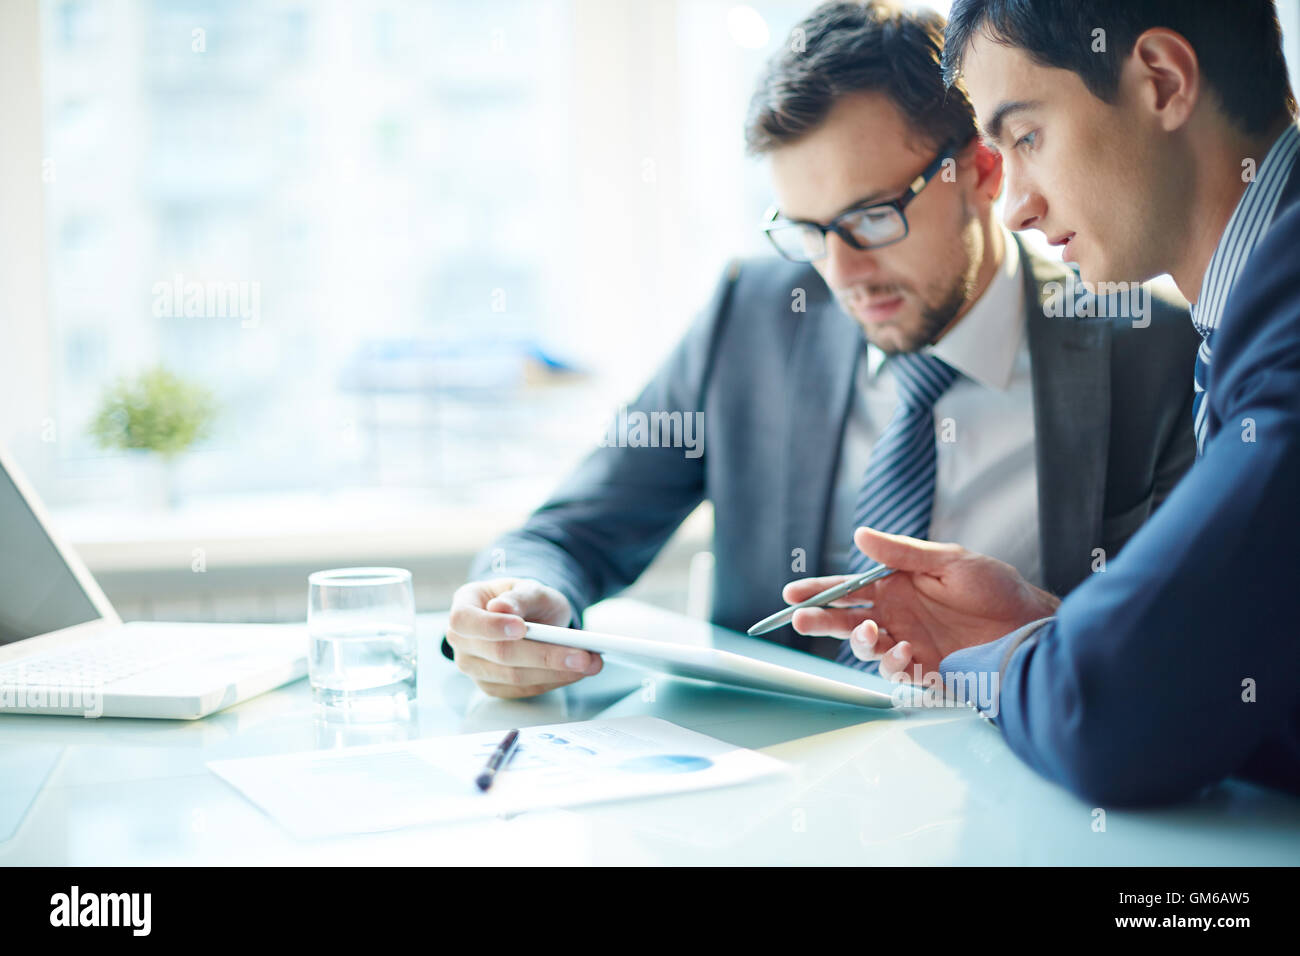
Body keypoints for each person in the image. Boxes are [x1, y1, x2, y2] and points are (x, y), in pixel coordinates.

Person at [442, 1, 1197, 700]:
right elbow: (569, 531)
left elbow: (1185, 645)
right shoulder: (753, 317)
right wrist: (517, 601)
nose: (842, 275)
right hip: (779, 791)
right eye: (808, 232)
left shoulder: (1150, 351)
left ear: (981, 171)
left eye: (871, 219)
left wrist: (1040, 633)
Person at [787, 0, 1300, 805]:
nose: (1015, 204)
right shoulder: (1249, 311)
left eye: (1026, 136)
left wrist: (1016, 662)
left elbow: (1114, 716)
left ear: (1163, 82)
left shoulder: (1286, 318)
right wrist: (1051, 635)